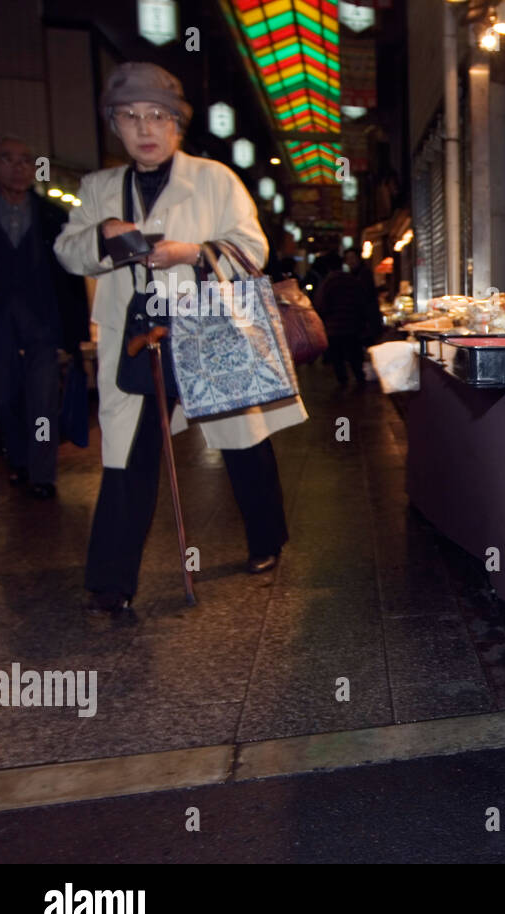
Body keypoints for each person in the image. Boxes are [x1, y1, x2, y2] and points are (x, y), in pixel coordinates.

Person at [54, 62, 307, 616]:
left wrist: (191, 252)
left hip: (209, 327)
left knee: (243, 439)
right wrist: (103, 236)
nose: (145, 128)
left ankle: (267, 539)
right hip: (139, 338)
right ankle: (111, 580)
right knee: (129, 455)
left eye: (158, 116)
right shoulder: (98, 188)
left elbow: (252, 251)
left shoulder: (216, 179)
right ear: (114, 125)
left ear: (177, 124)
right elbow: (67, 253)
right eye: (130, 116)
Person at [0, 134, 88, 498]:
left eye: (25, 160)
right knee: (4, 398)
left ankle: (42, 473)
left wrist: (75, 330)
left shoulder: (52, 216)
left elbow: (72, 277)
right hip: (0, 324)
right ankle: (18, 458)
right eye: (7, 159)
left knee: (43, 402)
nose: (17, 168)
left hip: (43, 323)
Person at [316, 248, 380, 387]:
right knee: (355, 356)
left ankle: (343, 384)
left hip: (334, 328)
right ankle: (360, 381)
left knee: (338, 359)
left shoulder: (327, 283)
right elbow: (362, 301)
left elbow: (321, 305)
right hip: (352, 326)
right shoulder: (351, 280)